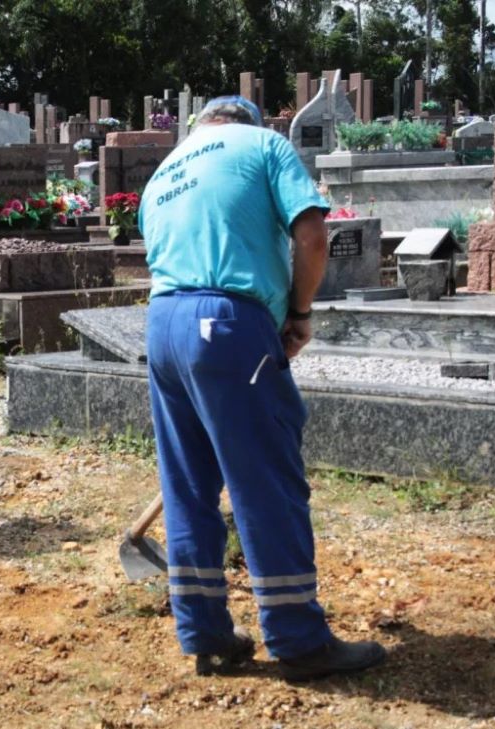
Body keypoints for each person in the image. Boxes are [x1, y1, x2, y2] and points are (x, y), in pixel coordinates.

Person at [138, 95, 386, 681]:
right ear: (247, 123)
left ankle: (205, 635)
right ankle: (299, 640)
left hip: (163, 325)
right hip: (229, 325)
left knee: (188, 487)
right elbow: (313, 237)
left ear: (201, 128)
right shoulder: (265, 146)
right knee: (266, 483)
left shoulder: (165, 170)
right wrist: (298, 311)